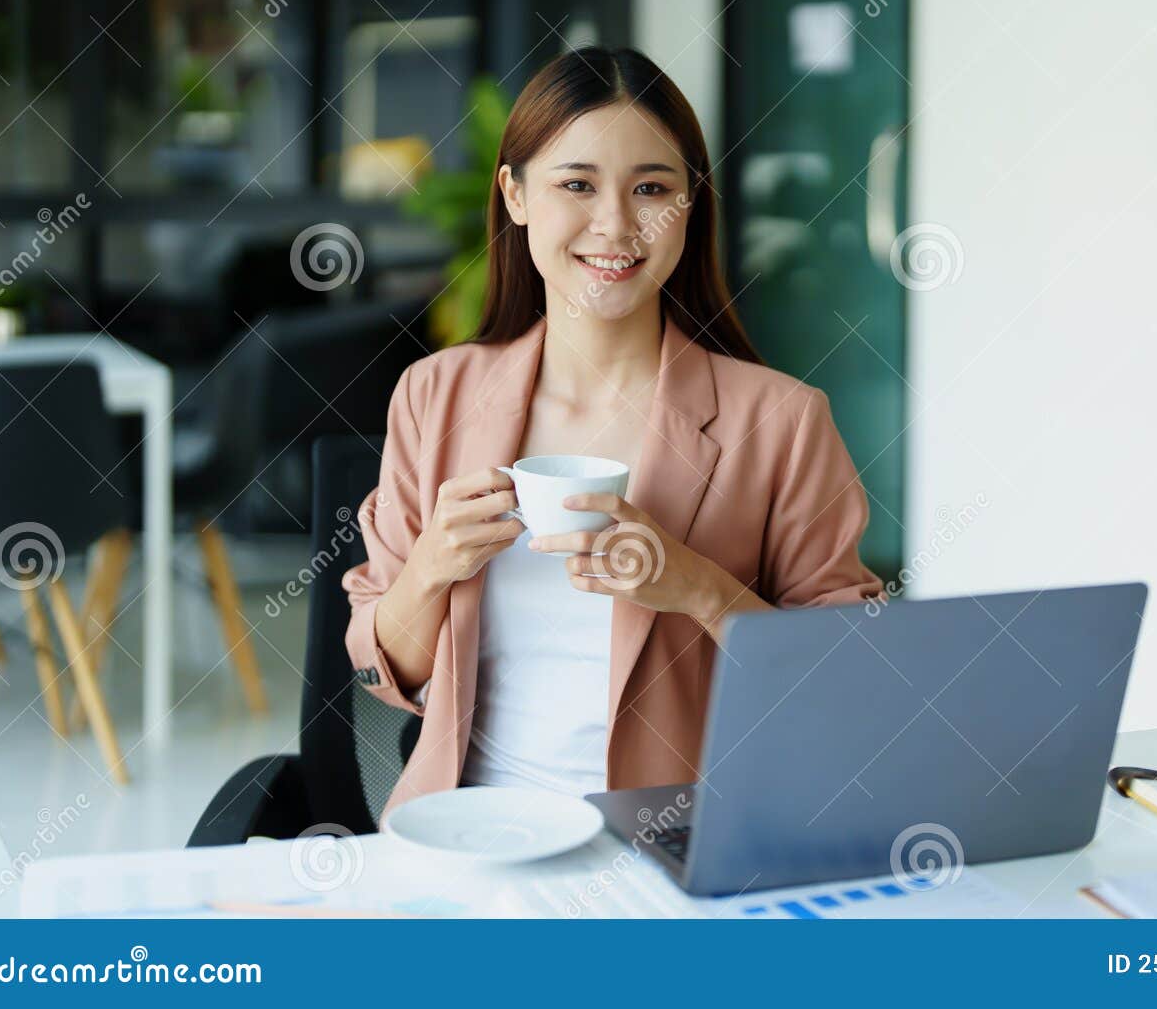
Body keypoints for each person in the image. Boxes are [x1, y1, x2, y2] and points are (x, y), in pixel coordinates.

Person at [343, 46, 883, 820]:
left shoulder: (784, 421)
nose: (616, 225)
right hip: (470, 837)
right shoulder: (435, 395)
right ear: (516, 194)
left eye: (652, 188)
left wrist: (696, 586)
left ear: (689, 206)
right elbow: (380, 668)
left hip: (680, 843)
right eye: (576, 184)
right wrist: (429, 566)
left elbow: (842, 686)